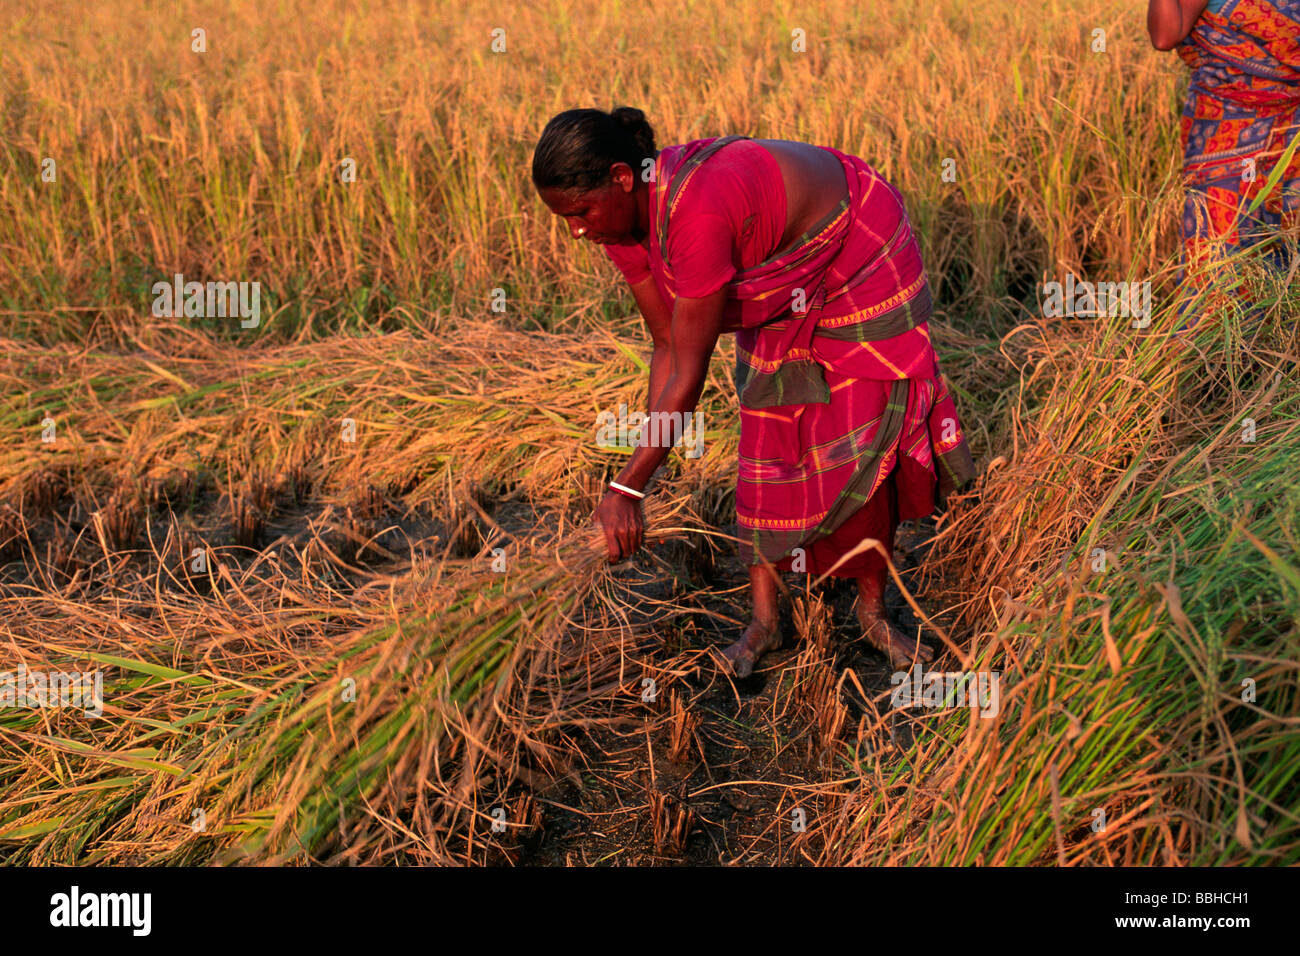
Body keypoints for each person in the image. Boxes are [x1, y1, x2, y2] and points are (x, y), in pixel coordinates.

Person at [531, 107, 977, 677]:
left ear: (622, 177)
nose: (576, 229)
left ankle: (872, 611)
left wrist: (629, 486)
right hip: (782, 273)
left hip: (855, 256)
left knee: (861, 436)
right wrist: (633, 476)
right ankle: (765, 622)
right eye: (566, 218)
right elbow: (666, 345)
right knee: (769, 426)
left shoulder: (696, 212)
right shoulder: (620, 225)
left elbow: (689, 372)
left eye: (580, 211)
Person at [1147, 0, 1300, 332]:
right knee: (1216, 249)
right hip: (1224, 127)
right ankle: (1214, 363)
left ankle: (1277, 358)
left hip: (1293, 124)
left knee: (1291, 243)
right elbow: (1164, 35)